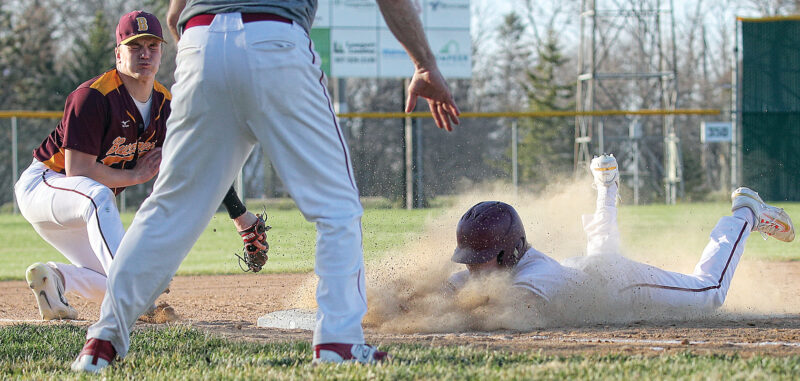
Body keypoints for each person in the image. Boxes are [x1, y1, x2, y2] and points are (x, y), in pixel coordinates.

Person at [71, 0, 460, 372]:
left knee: (168, 208)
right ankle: (338, 342)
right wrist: (425, 64)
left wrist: (204, 55)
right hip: (274, 38)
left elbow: (175, 14)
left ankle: (102, 342)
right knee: (336, 207)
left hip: (199, 40)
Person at [15, 10, 261, 322]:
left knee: (107, 281)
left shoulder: (166, 105)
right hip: (46, 186)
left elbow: (198, 160)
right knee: (99, 198)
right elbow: (77, 170)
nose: (145, 54)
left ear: (161, 53)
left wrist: (240, 215)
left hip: (80, 207)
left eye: (152, 46)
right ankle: (139, 293)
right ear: (118, 54)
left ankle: (55, 280)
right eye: (135, 47)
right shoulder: (91, 97)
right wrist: (135, 176)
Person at [447, 154, 795, 323]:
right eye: (469, 259)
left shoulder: (537, 279)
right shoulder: (496, 271)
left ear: (509, 253)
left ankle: (746, 213)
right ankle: (607, 187)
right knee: (602, 247)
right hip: (588, 273)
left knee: (709, 293)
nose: (473, 267)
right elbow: (456, 285)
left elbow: (503, 314)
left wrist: (447, 308)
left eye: (480, 258)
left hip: (625, 284)